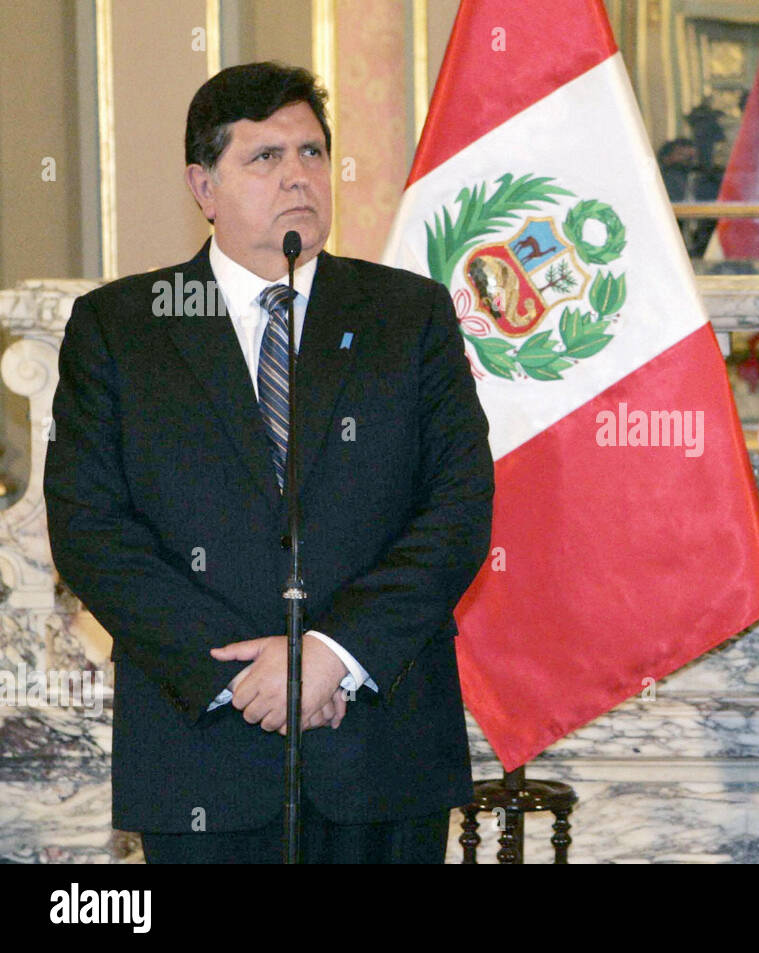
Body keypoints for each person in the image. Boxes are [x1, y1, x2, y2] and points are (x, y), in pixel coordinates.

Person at [44, 62, 494, 863]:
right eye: (266, 158)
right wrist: (245, 677)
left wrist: (332, 655)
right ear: (202, 184)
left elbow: (457, 509)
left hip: (381, 754)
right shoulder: (121, 328)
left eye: (313, 154)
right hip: (203, 751)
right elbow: (90, 530)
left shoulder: (409, 315)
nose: (298, 177)